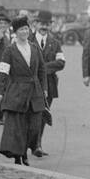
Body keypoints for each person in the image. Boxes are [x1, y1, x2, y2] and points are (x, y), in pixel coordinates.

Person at [0, 15, 47, 165]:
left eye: (26, 29)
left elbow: (42, 70)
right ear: (15, 32)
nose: (24, 32)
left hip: (34, 92)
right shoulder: (10, 50)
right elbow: (3, 72)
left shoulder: (35, 48)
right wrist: (0, 91)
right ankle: (20, 156)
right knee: (19, 126)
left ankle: (26, 149)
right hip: (17, 92)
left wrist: (44, 89)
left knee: (34, 125)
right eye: (21, 30)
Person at [31, 10, 66, 157]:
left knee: (43, 115)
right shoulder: (28, 40)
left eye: (47, 24)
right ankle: (30, 142)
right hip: (30, 84)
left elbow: (61, 62)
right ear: (36, 24)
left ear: (50, 25)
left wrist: (42, 69)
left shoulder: (55, 43)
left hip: (49, 85)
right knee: (31, 115)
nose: (44, 26)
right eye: (41, 23)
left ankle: (37, 144)